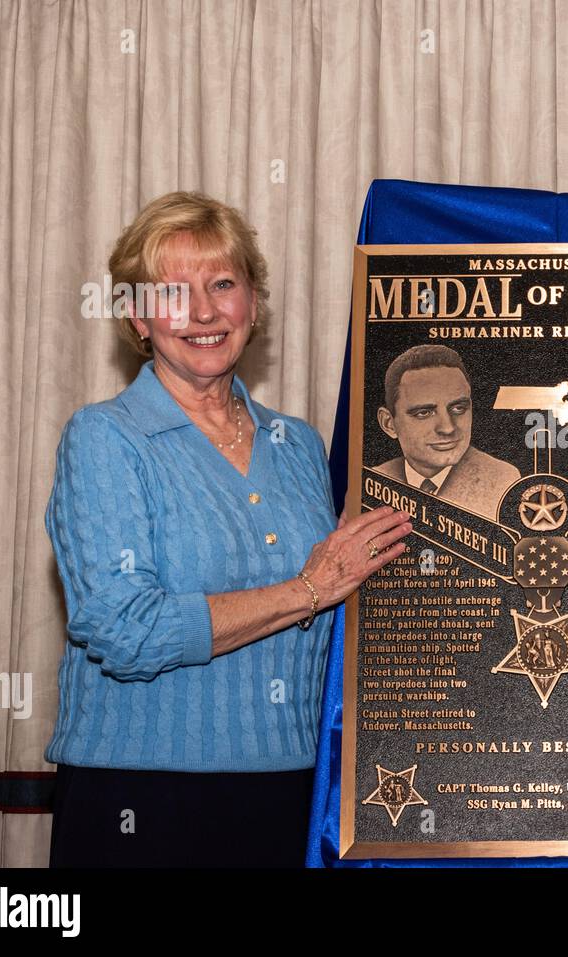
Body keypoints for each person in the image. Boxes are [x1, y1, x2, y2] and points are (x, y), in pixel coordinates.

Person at [45, 191, 411, 867]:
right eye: (173, 291)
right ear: (136, 316)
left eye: (222, 284)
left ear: (254, 303)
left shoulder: (298, 443)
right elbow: (128, 630)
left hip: (295, 789)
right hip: (143, 800)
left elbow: (345, 605)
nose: (205, 311)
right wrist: (307, 588)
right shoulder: (105, 438)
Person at [374, 344, 520, 519]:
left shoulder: (503, 482)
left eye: (458, 408)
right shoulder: (375, 480)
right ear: (389, 424)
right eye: (424, 413)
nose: (448, 428)